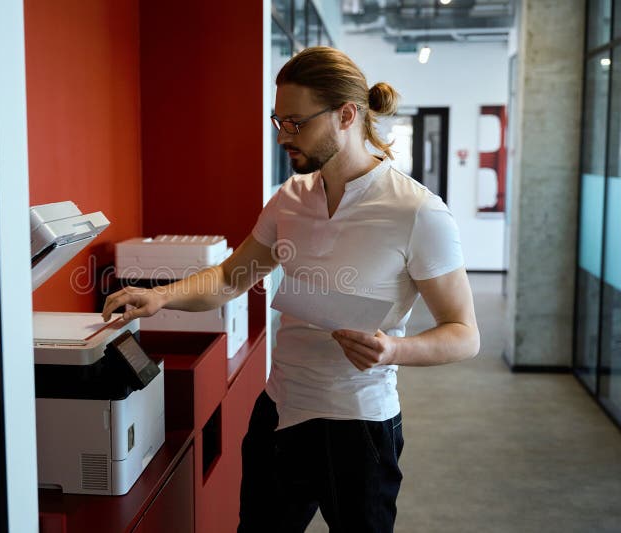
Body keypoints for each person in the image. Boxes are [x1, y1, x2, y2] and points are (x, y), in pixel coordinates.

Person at [102, 46, 480, 533]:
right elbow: (229, 276)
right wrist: (160, 297)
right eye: (278, 120)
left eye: (296, 123)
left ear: (347, 116)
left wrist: (393, 349)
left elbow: (464, 333)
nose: (283, 135)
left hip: (359, 427)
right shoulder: (290, 198)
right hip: (279, 411)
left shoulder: (417, 212)